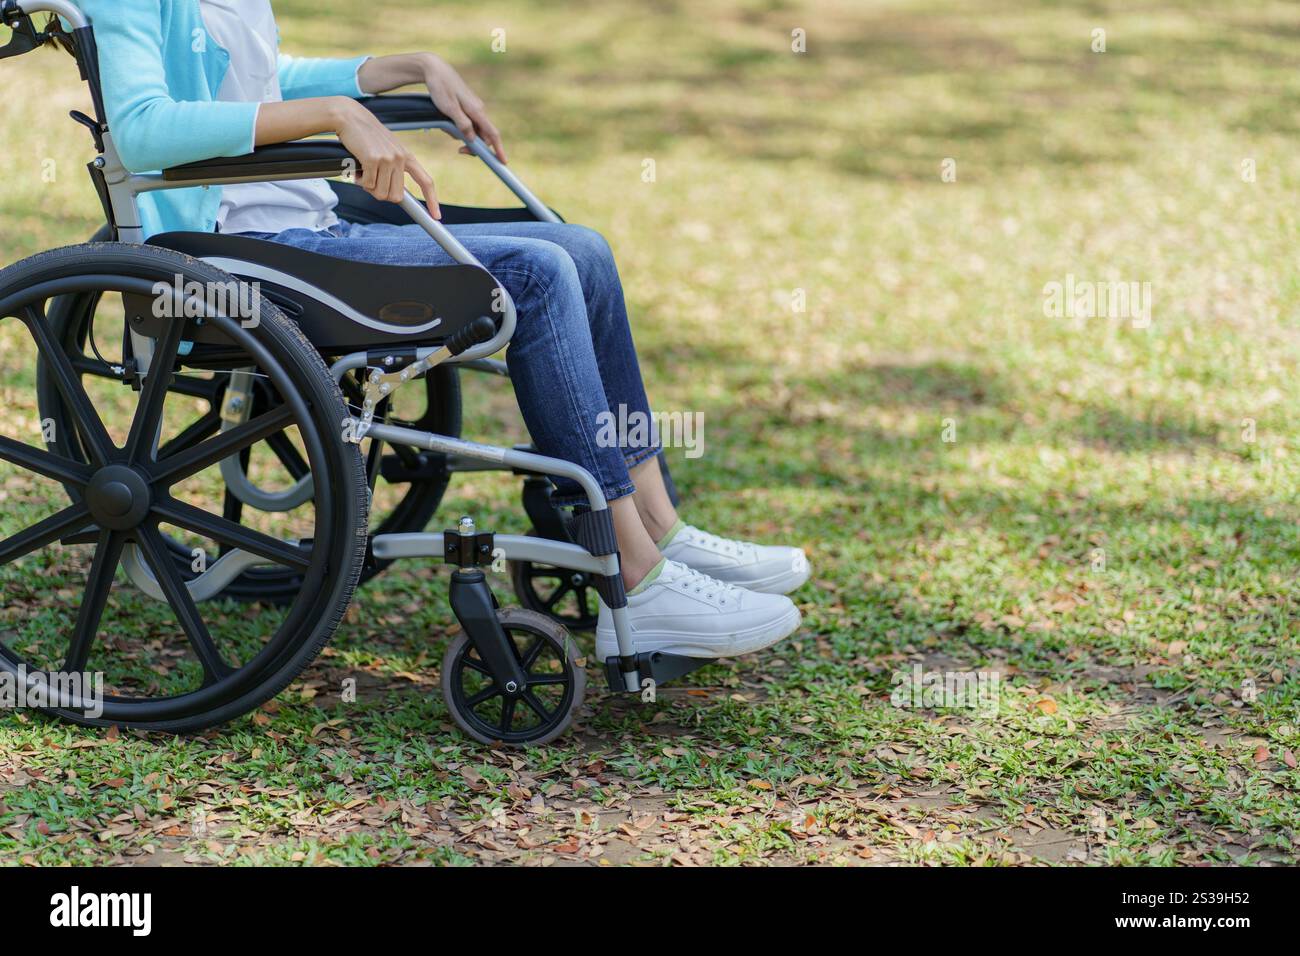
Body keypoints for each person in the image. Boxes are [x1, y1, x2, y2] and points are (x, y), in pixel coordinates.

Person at [72, 0, 810, 659]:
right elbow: (142, 131)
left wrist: (406, 67)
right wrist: (334, 113)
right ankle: (637, 575)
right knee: (537, 274)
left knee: (582, 249)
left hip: (309, 224)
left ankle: (658, 526)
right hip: (238, 256)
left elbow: (260, 83)